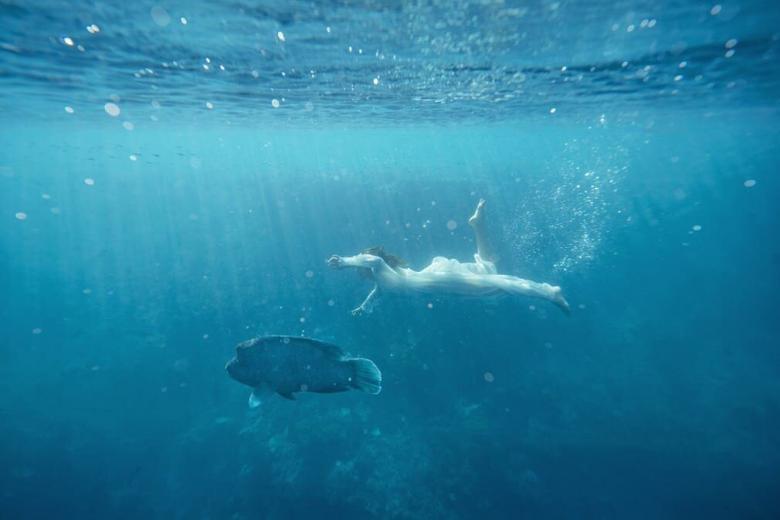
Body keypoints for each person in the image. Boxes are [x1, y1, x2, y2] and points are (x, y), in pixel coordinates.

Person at [327, 199, 570, 315]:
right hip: (433, 281)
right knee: (488, 270)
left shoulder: (379, 269)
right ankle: (478, 225)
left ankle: (549, 292)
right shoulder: (383, 281)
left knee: (493, 282)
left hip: (433, 283)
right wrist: (363, 307)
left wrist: (346, 262)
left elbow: (374, 260)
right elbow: (378, 291)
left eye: (361, 265)